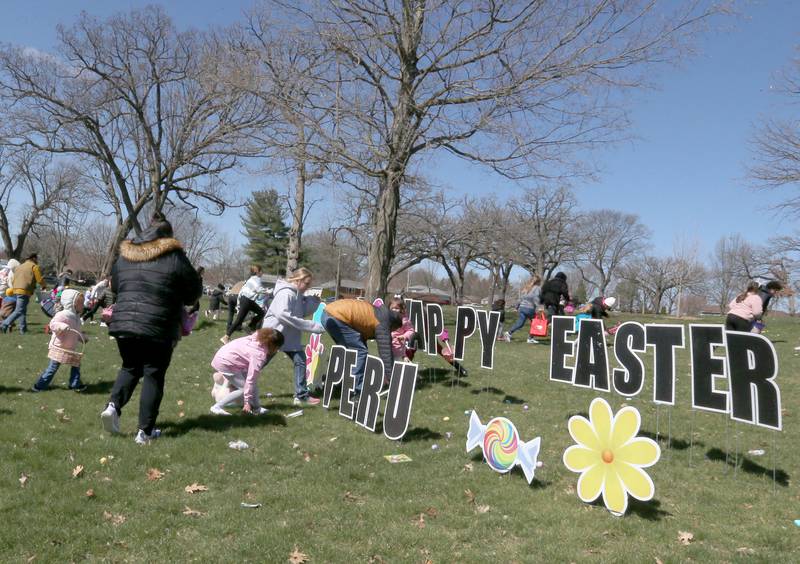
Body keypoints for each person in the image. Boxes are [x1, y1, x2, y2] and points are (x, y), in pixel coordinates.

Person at [100, 213, 202, 445]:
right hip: (159, 324)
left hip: (124, 321)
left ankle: (113, 407)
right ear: (168, 235)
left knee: (130, 367)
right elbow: (193, 292)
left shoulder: (125, 256)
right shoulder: (175, 256)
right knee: (153, 375)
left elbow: (115, 286)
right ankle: (144, 432)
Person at [262, 267, 325, 406]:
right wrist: (312, 326)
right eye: (306, 283)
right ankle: (234, 383)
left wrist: (314, 301)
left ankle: (301, 395)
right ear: (298, 280)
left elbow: (301, 312)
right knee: (259, 362)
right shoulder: (286, 293)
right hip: (274, 334)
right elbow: (283, 315)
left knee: (301, 360)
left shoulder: (297, 294)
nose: (308, 287)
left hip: (289, 337)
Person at [322, 298, 402, 394]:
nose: (391, 332)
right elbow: (386, 354)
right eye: (393, 330)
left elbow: (360, 332)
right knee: (359, 352)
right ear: (393, 324)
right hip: (338, 317)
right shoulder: (383, 322)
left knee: (349, 352)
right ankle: (355, 390)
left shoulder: (377, 312)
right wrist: (392, 380)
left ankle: (342, 383)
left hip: (327, 314)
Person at [210, 328, 284, 415]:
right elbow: (251, 378)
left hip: (224, 356)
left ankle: (257, 408)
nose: (277, 350)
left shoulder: (256, 337)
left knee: (253, 385)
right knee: (243, 389)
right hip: (226, 363)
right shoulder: (259, 355)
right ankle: (217, 407)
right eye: (277, 347)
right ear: (272, 345)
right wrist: (247, 402)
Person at [388, 297, 468, 376]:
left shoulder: (425, 315)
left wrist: (444, 337)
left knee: (442, 351)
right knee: (409, 351)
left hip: (427, 334)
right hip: (413, 337)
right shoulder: (402, 315)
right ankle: (405, 371)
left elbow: (438, 327)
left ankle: (458, 367)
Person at [31, 289, 87, 392]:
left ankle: (75, 384)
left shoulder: (76, 317)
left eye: (82, 303)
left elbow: (76, 331)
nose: (82, 305)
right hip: (59, 346)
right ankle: (39, 386)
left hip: (71, 347)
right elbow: (53, 324)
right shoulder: (63, 315)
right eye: (80, 303)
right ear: (71, 303)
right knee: (53, 367)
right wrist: (61, 326)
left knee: (76, 365)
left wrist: (81, 337)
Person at [1, 253, 47, 335]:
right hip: (24, 290)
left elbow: (14, 278)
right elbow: (39, 279)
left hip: (16, 289)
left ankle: (23, 329)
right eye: (36, 259)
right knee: (19, 310)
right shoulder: (34, 266)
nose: (37, 261)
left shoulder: (20, 266)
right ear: (33, 258)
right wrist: (44, 286)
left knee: (22, 310)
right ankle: (4, 324)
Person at [221, 265, 267, 344]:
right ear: (257, 272)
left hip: (246, 300)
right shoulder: (257, 279)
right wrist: (270, 291)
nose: (262, 273)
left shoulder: (250, 279)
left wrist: (239, 302)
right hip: (247, 301)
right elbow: (259, 289)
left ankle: (249, 326)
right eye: (261, 271)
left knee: (260, 313)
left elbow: (242, 291)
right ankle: (226, 336)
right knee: (240, 319)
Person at [504, 276, 542, 343]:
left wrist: (517, 307)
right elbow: (536, 298)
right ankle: (530, 338)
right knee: (535, 323)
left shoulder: (526, 288)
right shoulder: (537, 288)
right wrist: (539, 307)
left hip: (522, 308)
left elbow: (520, 298)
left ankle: (509, 333)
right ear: (538, 282)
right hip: (530, 308)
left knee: (520, 323)